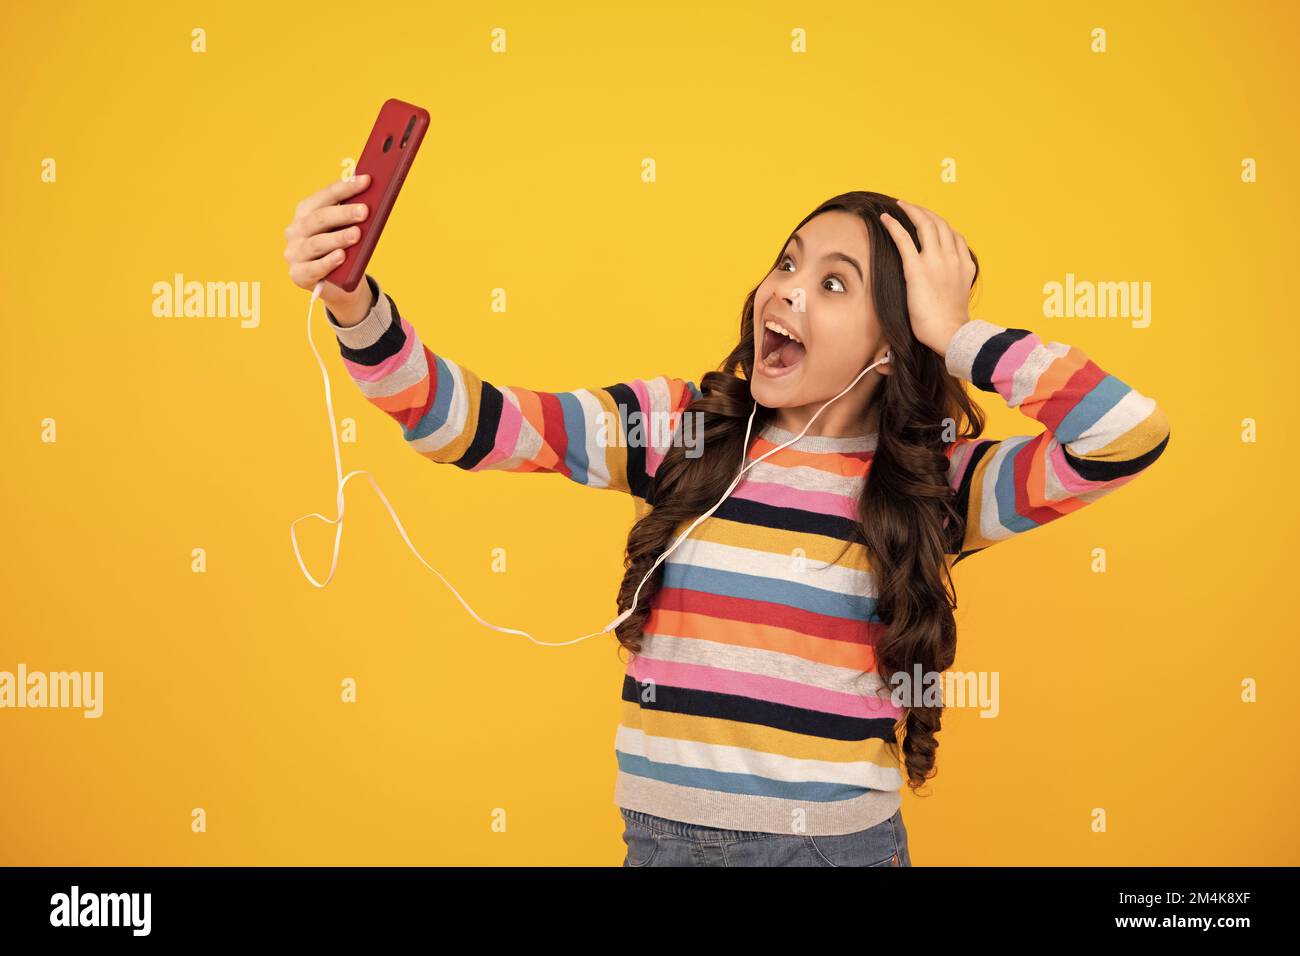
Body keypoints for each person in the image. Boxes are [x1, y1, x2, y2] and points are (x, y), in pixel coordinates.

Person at [282, 179, 1170, 866]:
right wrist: (355, 306)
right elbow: (465, 422)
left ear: (896, 341)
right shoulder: (679, 428)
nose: (786, 292)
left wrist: (961, 334)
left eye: (833, 283)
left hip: (830, 853)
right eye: (787, 263)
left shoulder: (937, 483)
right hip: (663, 842)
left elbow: (1127, 435)